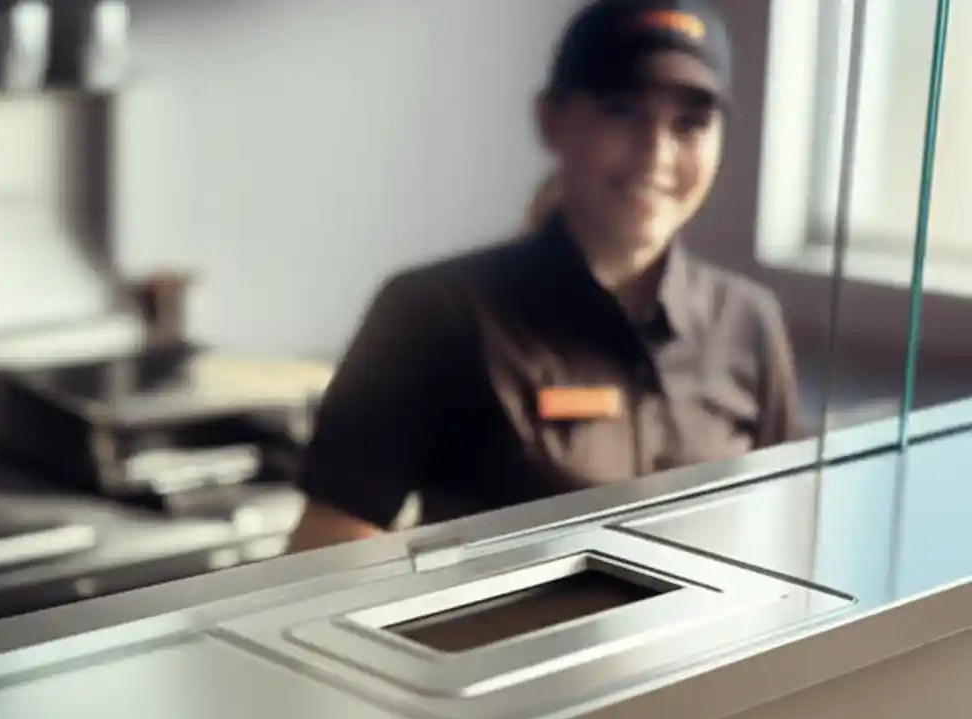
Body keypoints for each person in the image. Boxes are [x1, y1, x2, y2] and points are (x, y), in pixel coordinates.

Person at [289, 0, 802, 552]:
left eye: (690, 124)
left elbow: (785, 525)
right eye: (623, 111)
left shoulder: (749, 321)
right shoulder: (433, 311)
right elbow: (330, 540)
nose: (657, 153)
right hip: (491, 637)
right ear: (551, 120)